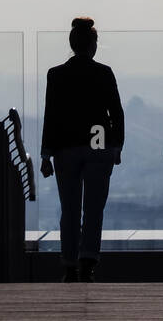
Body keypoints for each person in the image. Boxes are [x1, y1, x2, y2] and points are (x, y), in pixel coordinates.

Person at [40, 17, 124, 282]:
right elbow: (116, 112)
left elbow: (51, 115)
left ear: (72, 43)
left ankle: (68, 264)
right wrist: (117, 145)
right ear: (93, 45)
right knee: (94, 208)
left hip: (66, 148)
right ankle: (88, 262)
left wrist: (46, 154)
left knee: (70, 208)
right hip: (98, 145)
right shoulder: (104, 72)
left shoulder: (56, 74)